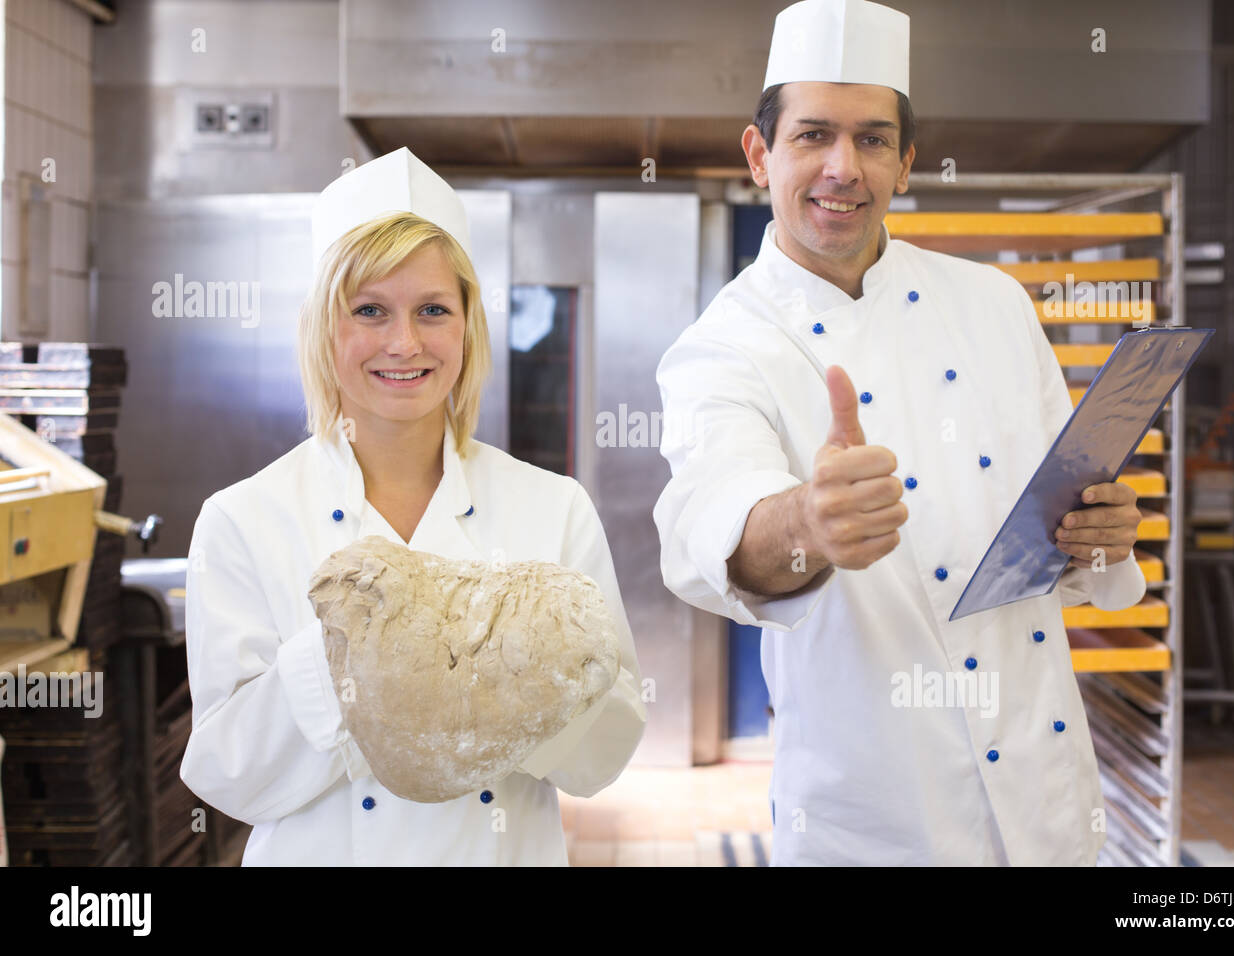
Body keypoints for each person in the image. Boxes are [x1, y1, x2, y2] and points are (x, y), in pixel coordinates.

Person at [653, 0, 1145, 865]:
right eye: (813, 136)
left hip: (1046, 794)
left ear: (907, 162)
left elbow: (1055, 520)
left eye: (873, 139)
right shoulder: (721, 347)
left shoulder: (994, 304)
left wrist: (1096, 537)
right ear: (759, 154)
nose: (843, 168)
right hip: (874, 816)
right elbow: (715, 531)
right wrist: (806, 524)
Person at [180, 147, 646, 865]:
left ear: (467, 326)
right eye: (369, 310)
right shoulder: (244, 518)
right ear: (323, 328)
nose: (405, 343)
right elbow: (228, 776)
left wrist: (520, 690)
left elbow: (605, 753)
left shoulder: (552, 508)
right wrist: (343, 657)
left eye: (433, 309)